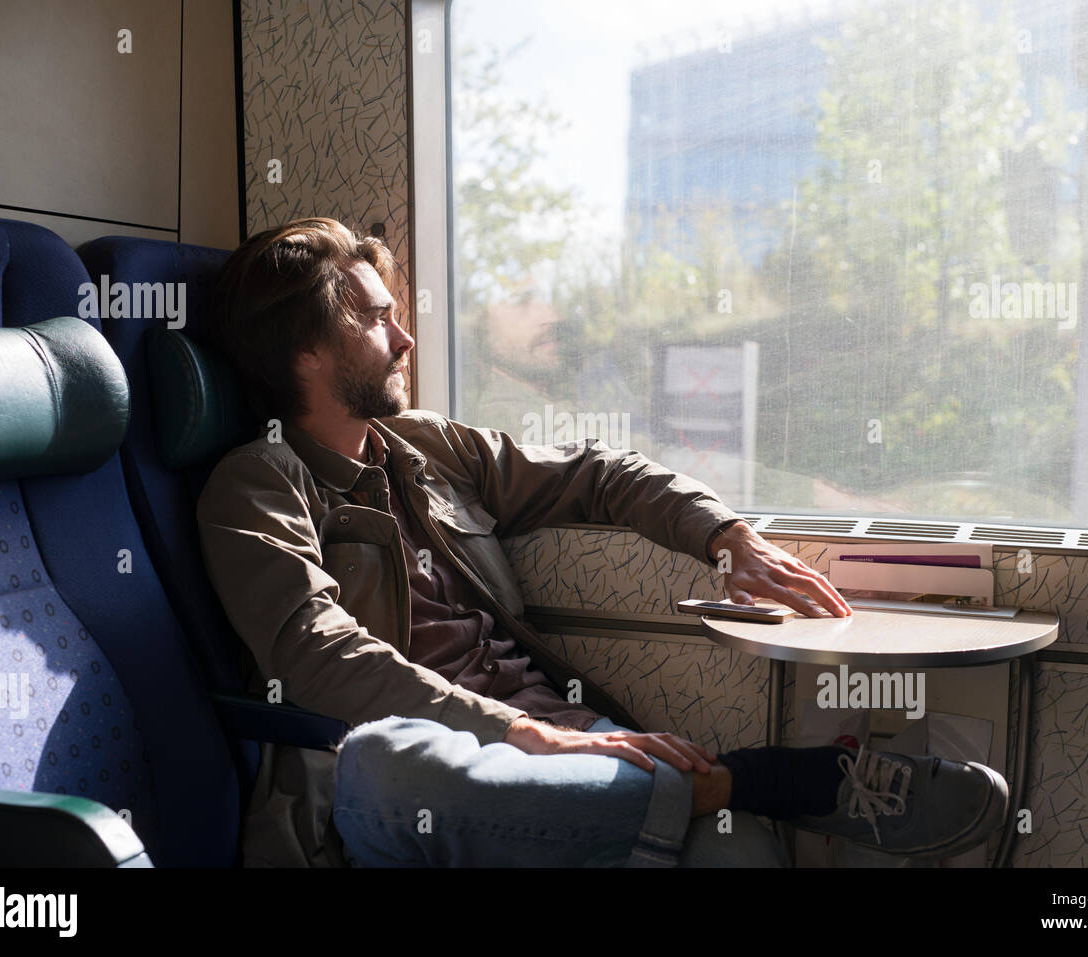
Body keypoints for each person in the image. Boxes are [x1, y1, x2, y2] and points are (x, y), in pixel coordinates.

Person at [195, 217, 1009, 867]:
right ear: (306, 349)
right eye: (377, 320)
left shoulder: (424, 450)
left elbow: (600, 473)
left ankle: (726, 794)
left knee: (741, 849)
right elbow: (317, 652)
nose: (405, 339)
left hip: (554, 747)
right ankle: (773, 779)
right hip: (409, 775)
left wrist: (727, 538)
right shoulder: (258, 484)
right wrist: (516, 733)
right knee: (386, 759)